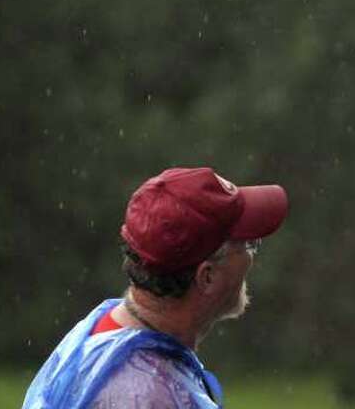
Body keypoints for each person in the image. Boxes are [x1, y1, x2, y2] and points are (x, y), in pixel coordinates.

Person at [22, 167, 289, 409]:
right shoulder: (151, 397)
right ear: (207, 276)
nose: (252, 257)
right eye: (247, 245)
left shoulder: (105, 327)